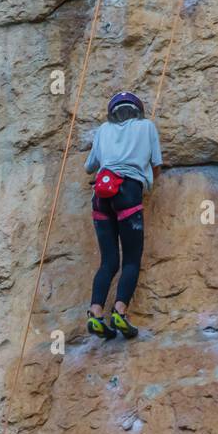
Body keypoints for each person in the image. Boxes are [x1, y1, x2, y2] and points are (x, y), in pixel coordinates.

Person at [84, 91, 162, 340]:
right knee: (131, 259)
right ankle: (119, 311)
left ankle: (96, 314)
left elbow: (89, 166)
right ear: (137, 110)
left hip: (101, 192)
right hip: (128, 191)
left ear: (113, 112)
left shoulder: (103, 130)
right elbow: (157, 164)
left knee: (108, 261)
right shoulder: (146, 126)